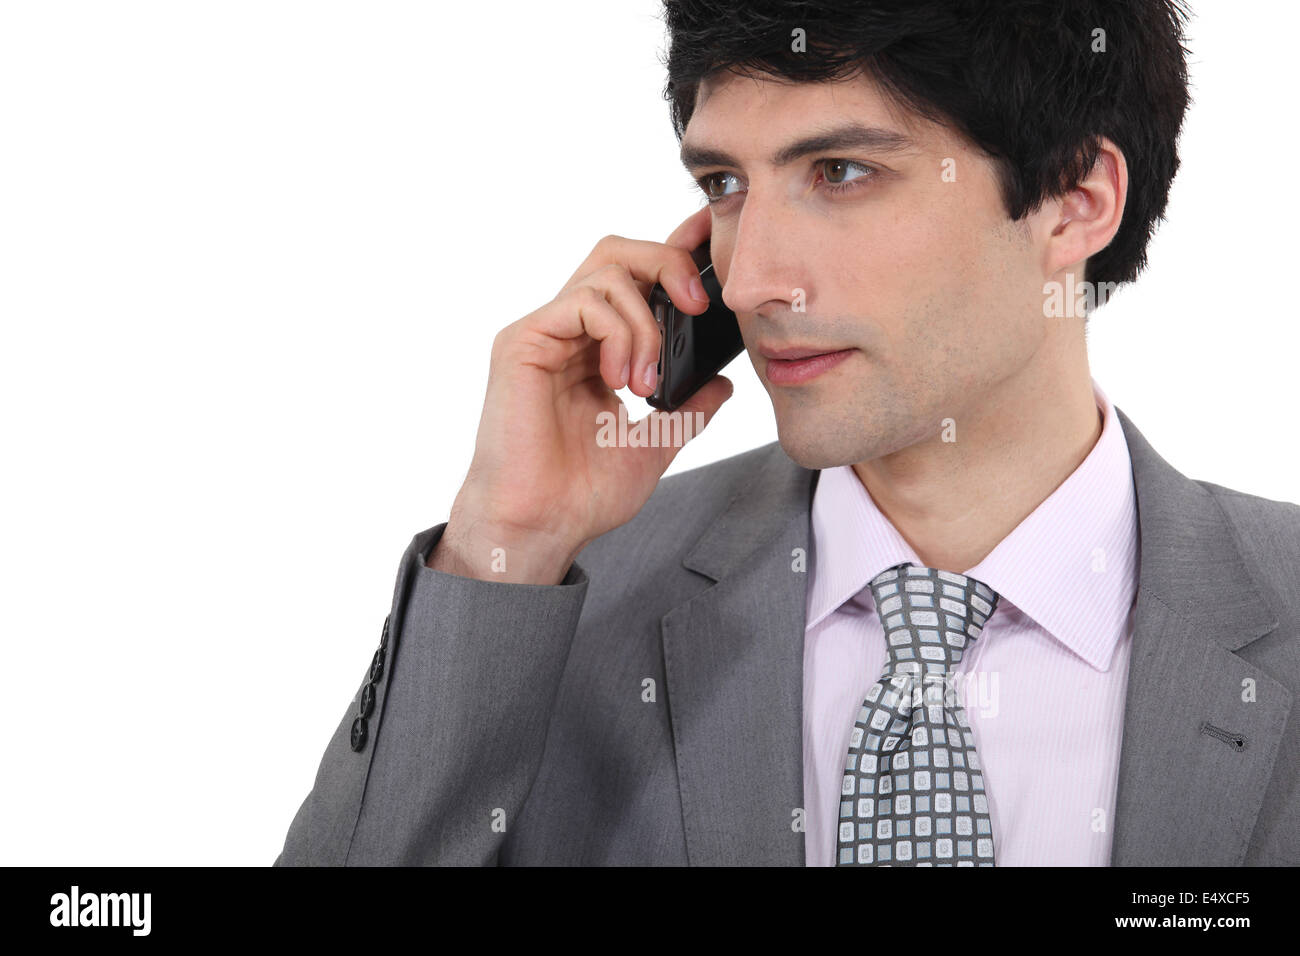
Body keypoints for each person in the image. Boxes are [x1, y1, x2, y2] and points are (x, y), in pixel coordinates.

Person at [274, 0, 1300, 866]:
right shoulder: (547, 609)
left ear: (1076, 204)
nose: (753, 278)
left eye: (840, 172)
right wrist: (509, 544)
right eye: (723, 185)